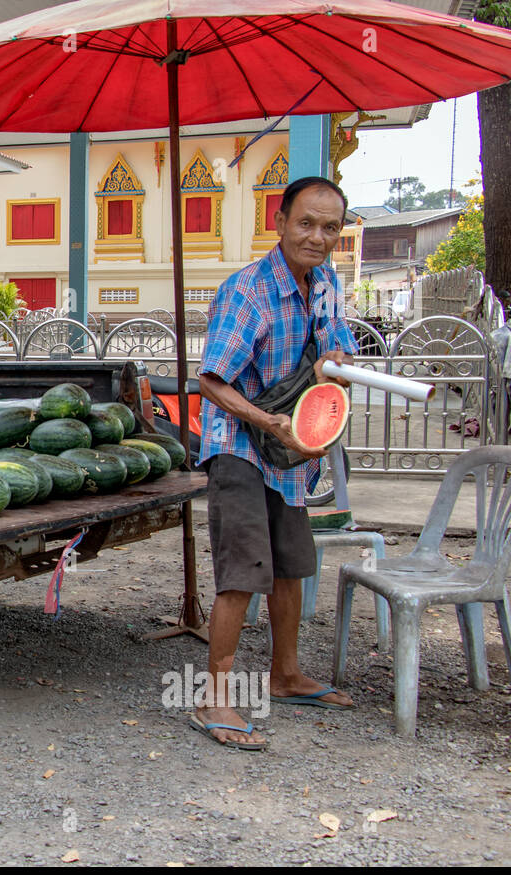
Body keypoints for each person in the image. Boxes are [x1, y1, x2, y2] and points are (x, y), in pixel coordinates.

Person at [191, 175, 359, 750]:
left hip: (290, 448)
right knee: (243, 569)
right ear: (280, 221)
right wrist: (265, 422)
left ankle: (284, 675)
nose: (317, 236)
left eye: (330, 227)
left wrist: (333, 362)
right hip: (239, 440)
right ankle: (213, 694)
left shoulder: (326, 282)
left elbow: (335, 349)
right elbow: (210, 380)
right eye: (306, 223)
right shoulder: (249, 292)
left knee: (291, 564)